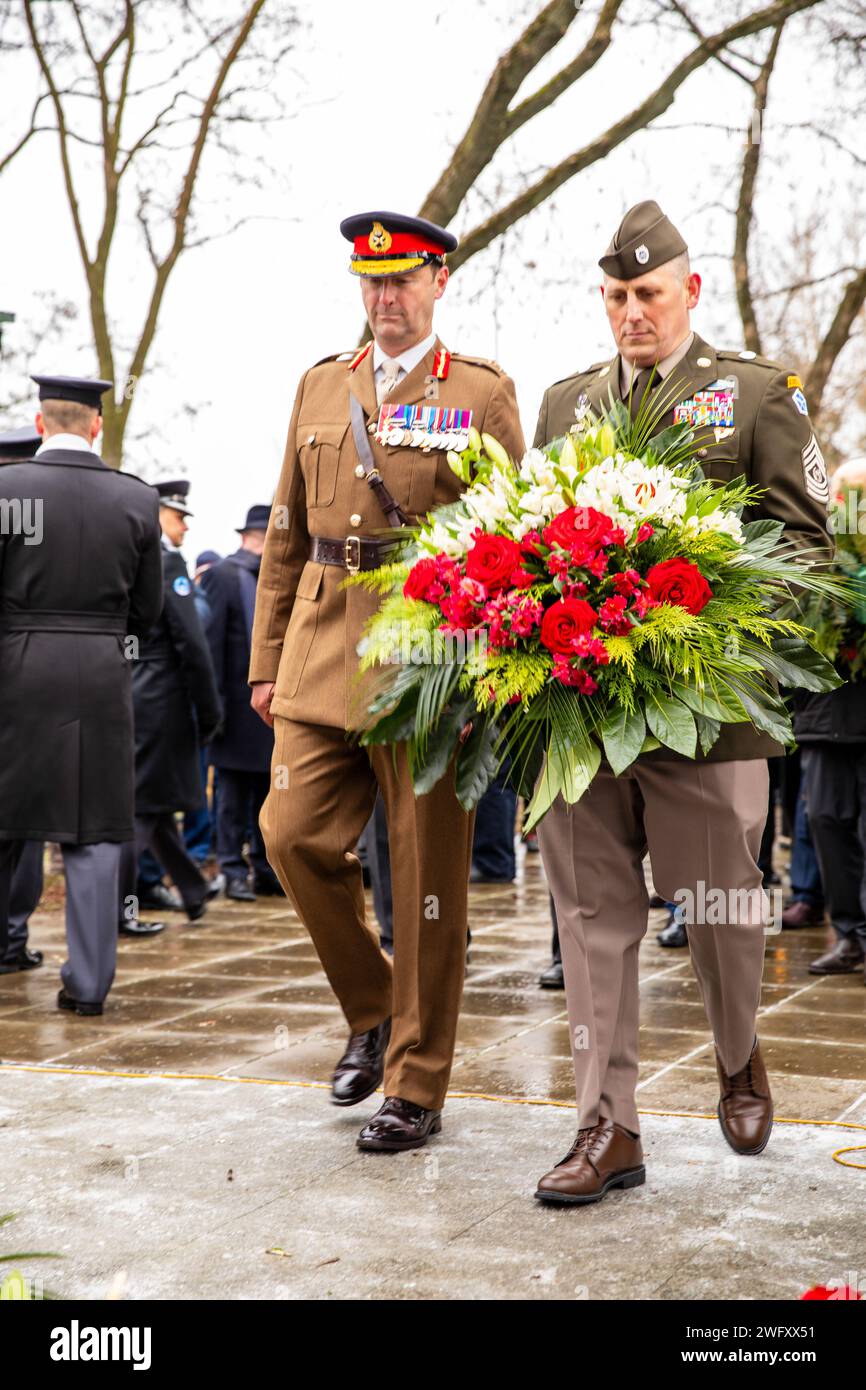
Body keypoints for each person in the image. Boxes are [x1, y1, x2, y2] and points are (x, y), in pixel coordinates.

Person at [531, 200, 832, 1206]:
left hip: (707, 716)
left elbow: (806, 543)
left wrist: (713, 610)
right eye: (614, 295)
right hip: (580, 715)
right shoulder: (563, 405)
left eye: (647, 293)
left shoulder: (753, 395)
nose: (630, 313)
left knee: (717, 911)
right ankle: (604, 1128)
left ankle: (738, 1054)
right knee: (590, 917)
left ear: (687, 291)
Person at [250, 210, 524, 1152]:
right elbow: (285, 535)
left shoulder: (481, 393)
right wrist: (266, 662)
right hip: (323, 645)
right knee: (288, 834)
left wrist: (494, 669)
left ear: (438, 282)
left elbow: (508, 546)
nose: (385, 296)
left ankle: (415, 1083)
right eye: (371, 281)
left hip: (430, 651)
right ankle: (371, 1007)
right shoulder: (322, 385)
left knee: (427, 881)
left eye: (402, 279)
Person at [0, 374, 163, 1013]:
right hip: (100, 673)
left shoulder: (5, 488)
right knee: (93, 830)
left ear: (40, 424)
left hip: (15, 670)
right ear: (95, 425)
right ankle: (90, 985)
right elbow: (146, 612)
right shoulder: (137, 499)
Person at [118, 480, 223, 934]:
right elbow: (191, 645)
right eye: (178, 516)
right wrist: (211, 709)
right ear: (158, 513)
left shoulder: (126, 557)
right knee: (142, 809)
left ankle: (193, 891)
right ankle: (116, 912)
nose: (183, 526)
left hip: (133, 689)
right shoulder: (165, 562)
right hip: (163, 698)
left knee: (155, 805)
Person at [201, 506, 280, 900]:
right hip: (233, 707)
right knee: (231, 795)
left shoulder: (276, 578)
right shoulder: (223, 575)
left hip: (267, 709)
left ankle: (265, 869)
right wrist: (212, 706)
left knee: (268, 791)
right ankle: (232, 868)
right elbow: (210, 644)